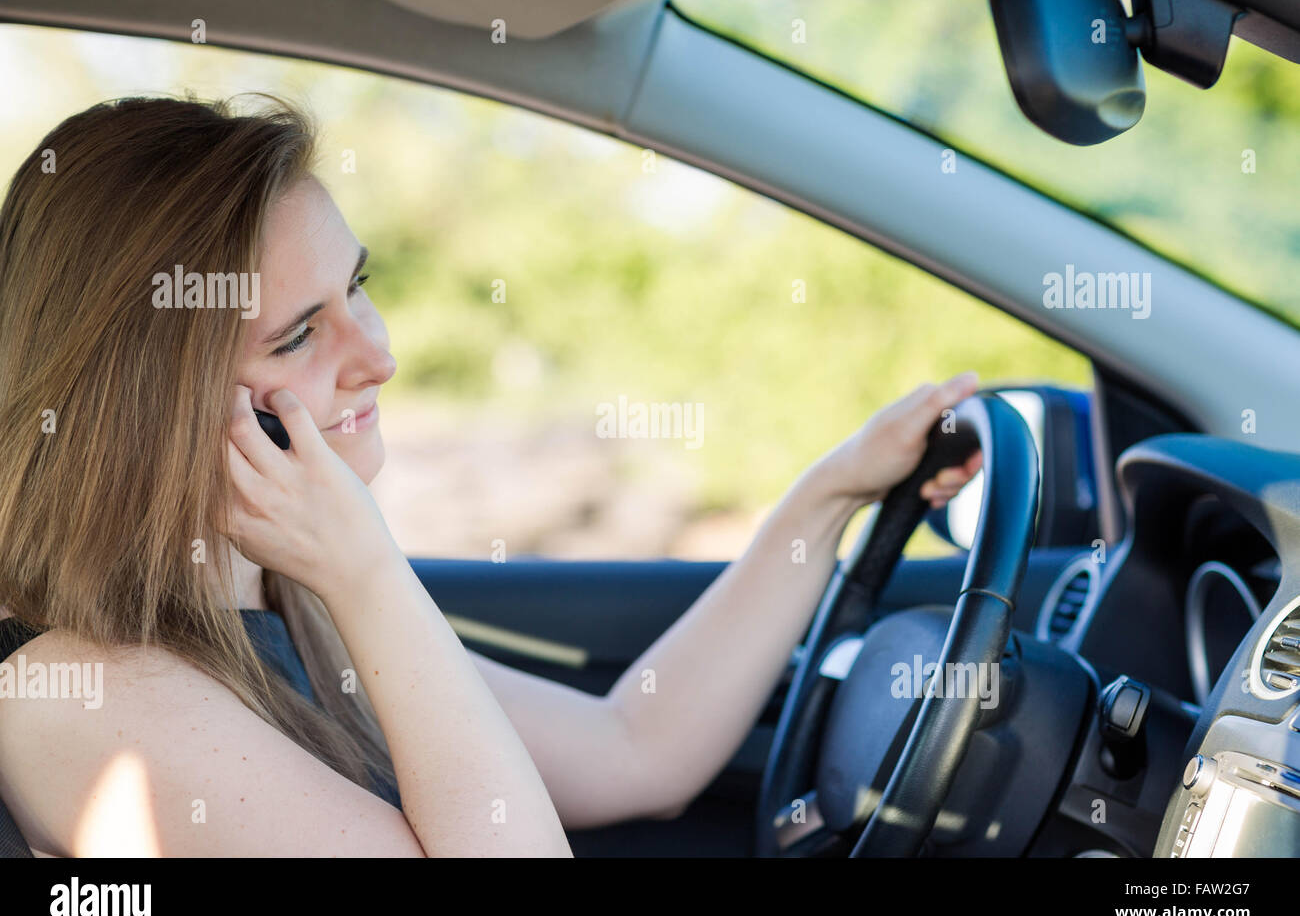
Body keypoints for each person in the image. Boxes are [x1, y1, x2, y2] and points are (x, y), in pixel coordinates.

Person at [0, 95, 982, 857]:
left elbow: (634, 748)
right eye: (300, 334)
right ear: (144, 407)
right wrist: (367, 573)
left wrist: (831, 492)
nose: (376, 355)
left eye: (358, 289)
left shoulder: (278, 591)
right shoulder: (82, 695)